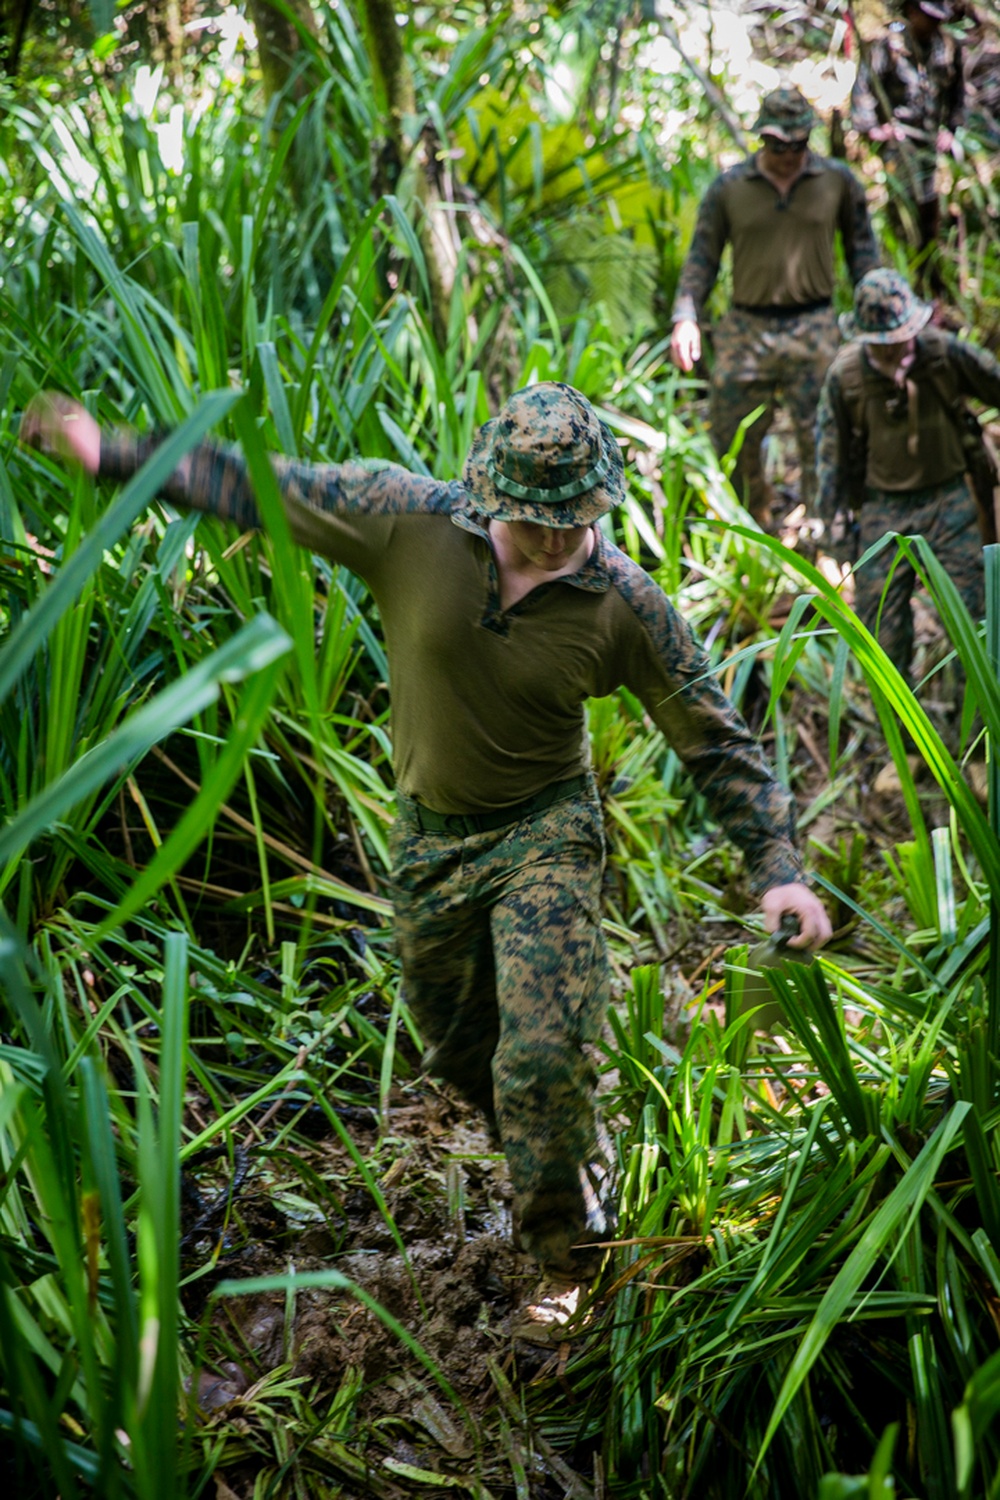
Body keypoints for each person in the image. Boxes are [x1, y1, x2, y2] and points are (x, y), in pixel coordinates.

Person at [22, 382, 831, 1341]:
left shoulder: (621, 602)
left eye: (574, 520)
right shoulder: (406, 521)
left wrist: (777, 865)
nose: (554, 541)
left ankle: (568, 1258)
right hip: (431, 842)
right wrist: (110, 449)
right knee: (459, 1048)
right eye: (533, 522)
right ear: (490, 496)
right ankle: (570, 1156)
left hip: (547, 832)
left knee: (540, 1055)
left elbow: (712, 734)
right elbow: (264, 484)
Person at [670, 85, 879, 527]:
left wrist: (879, 316)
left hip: (814, 324)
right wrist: (686, 317)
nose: (788, 155)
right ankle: (751, 522)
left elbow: (863, 253)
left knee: (824, 434)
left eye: (798, 145)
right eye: (777, 145)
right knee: (731, 432)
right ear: (762, 138)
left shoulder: (836, 181)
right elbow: (702, 259)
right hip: (748, 326)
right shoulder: (730, 188)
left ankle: (826, 531)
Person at [816, 266, 1000, 708]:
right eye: (882, 342)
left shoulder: (943, 354)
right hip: (883, 509)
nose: (895, 347)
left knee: (975, 620)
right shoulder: (846, 377)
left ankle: (979, 730)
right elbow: (829, 459)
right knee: (881, 631)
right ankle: (899, 733)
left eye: (902, 336)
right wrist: (836, 532)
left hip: (949, 502)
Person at [850, 0, 963, 283]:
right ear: (913, 12)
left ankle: (931, 275)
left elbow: (958, 95)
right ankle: (902, 272)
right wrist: (874, 129)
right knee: (902, 207)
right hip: (898, 141)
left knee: (931, 209)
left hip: (930, 142)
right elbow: (864, 86)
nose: (933, 24)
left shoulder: (948, 47)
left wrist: (950, 130)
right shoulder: (889, 44)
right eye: (928, 17)